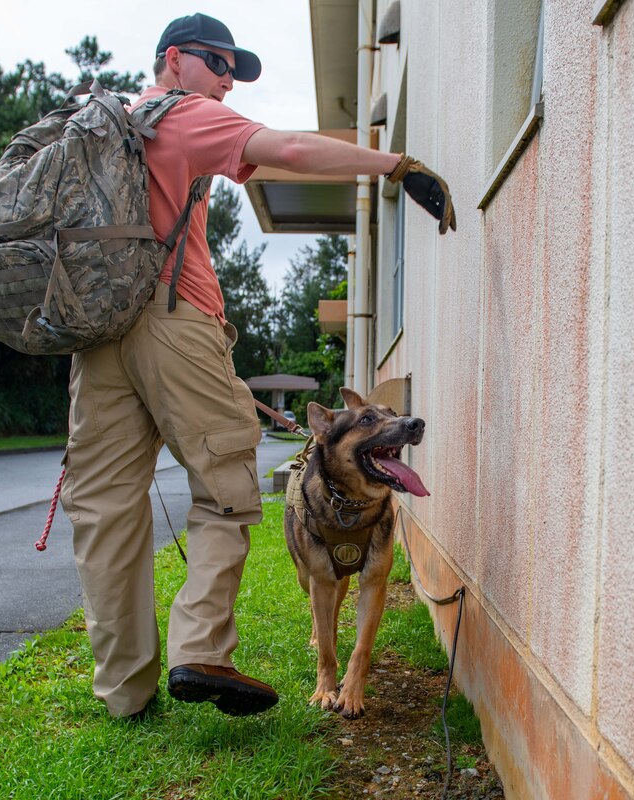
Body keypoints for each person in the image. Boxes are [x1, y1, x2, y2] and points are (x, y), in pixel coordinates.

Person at [59, 11, 455, 720]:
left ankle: (124, 691)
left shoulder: (107, 123)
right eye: (217, 64)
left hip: (97, 328)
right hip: (175, 316)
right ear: (174, 60)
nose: (225, 82)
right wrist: (397, 165)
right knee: (225, 484)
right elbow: (294, 152)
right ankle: (199, 651)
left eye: (232, 73)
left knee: (104, 509)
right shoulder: (180, 117)